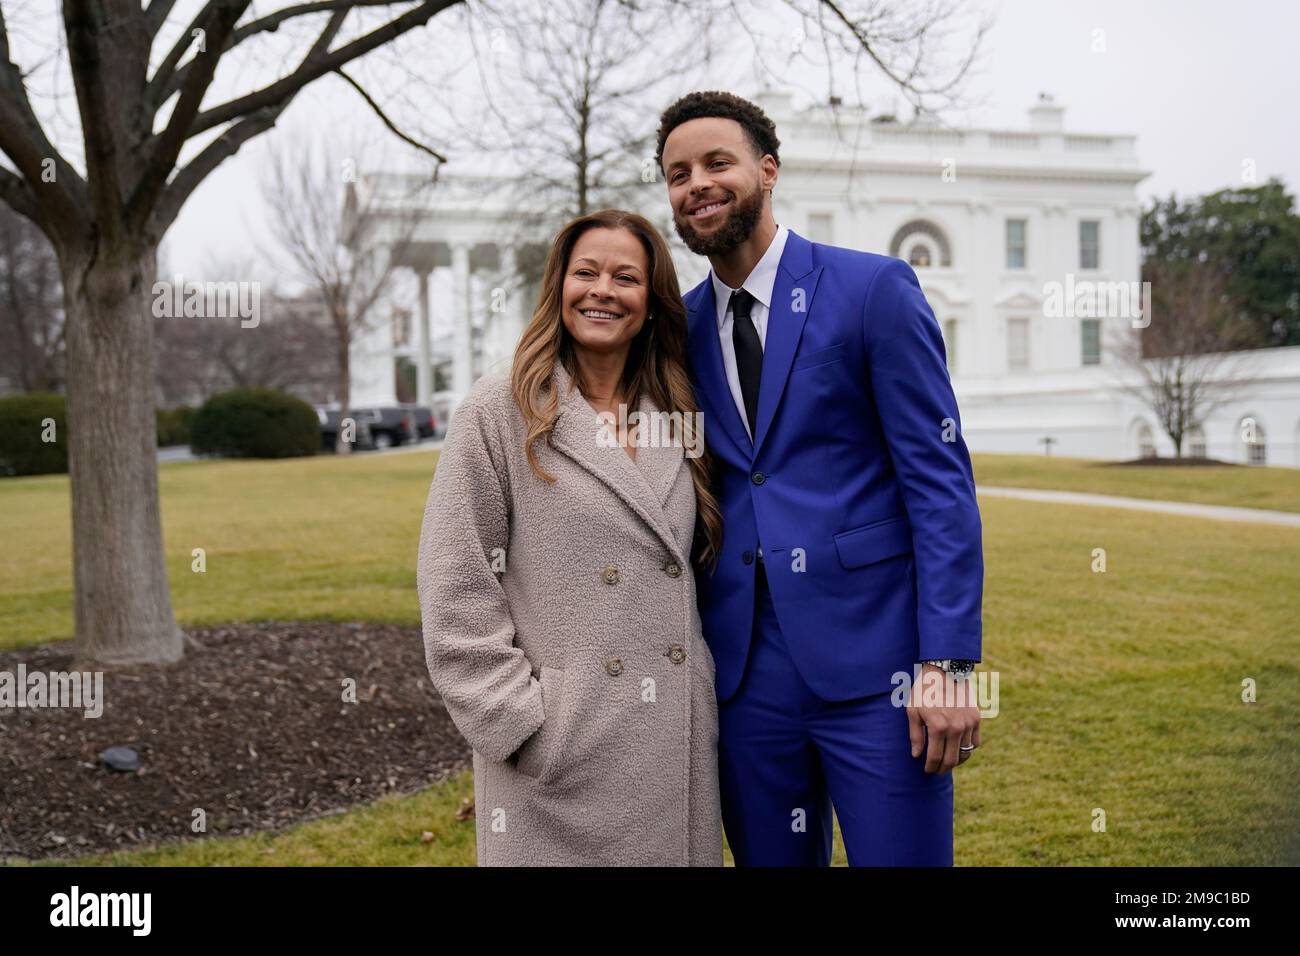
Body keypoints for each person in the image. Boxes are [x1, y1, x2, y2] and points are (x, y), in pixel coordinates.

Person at [655, 90, 985, 866]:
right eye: (676, 173)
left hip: (880, 670)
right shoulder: (680, 328)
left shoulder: (873, 289)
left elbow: (939, 485)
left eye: (716, 162)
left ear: (767, 171)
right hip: (742, 676)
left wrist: (947, 664)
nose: (696, 183)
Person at [415, 209, 724, 866]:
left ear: (651, 301)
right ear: (558, 287)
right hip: (559, 758)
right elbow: (455, 580)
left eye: (626, 277)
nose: (603, 291)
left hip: (672, 741)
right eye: (585, 272)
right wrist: (519, 724)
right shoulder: (499, 409)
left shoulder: (679, 410)